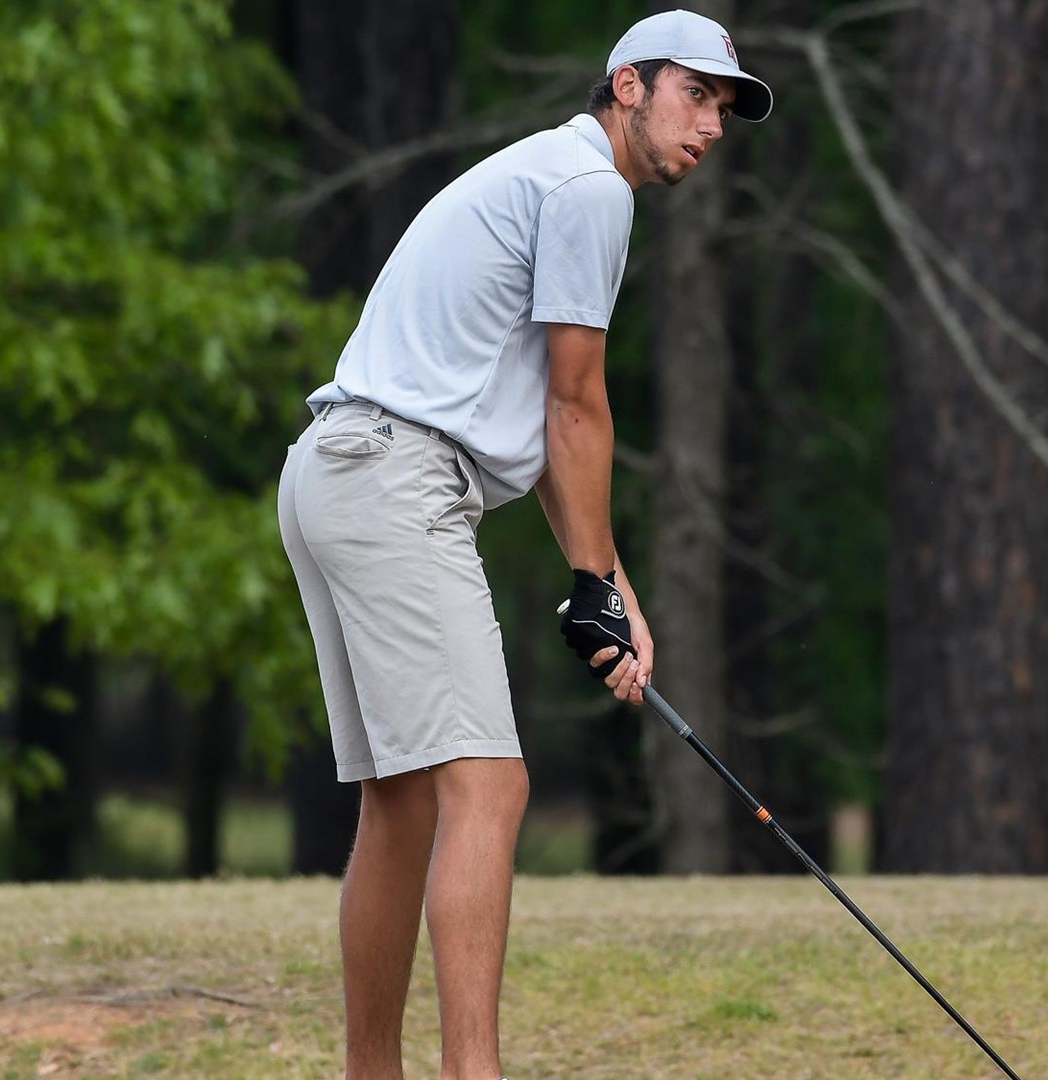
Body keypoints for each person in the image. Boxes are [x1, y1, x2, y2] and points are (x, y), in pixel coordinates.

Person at [275, 11, 772, 1079]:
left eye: (725, 110)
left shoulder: (549, 172)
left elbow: (548, 423)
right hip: (394, 479)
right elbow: (576, 405)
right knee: (490, 788)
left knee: (403, 801)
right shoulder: (591, 188)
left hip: (332, 470)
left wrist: (612, 587)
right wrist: (593, 582)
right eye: (696, 95)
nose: (711, 126)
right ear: (628, 85)